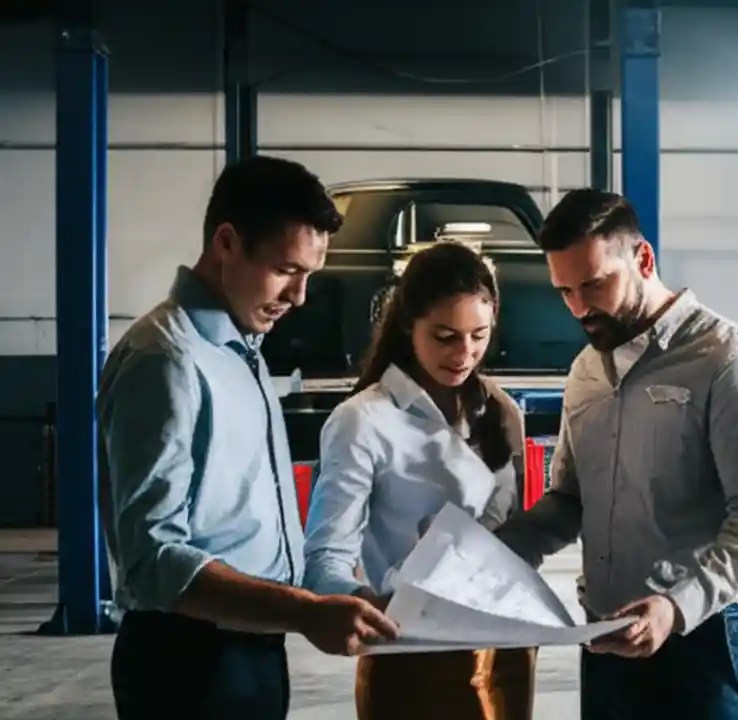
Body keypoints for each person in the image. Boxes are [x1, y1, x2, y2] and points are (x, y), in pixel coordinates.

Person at [98, 155, 399, 720]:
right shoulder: (165, 360)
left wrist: (333, 599)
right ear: (227, 242)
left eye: (310, 274)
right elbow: (154, 558)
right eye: (287, 270)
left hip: (253, 649)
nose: (300, 295)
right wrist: (305, 612)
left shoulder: (243, 352)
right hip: (185, 665)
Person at [495, 189, 738, 719]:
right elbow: (569, 499)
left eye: (594, 284)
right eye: (564, 291)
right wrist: (494, 550)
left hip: (707, 641)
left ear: (644, 259)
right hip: (609, 644)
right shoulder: (585, 371)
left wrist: (676, 609)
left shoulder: (727, 361)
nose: (580, 308)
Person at [302, 241, 537, 720]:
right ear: (408, 324)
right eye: (445, 336)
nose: (464, 353)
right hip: (407, 648)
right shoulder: (363, 420)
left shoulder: (500, 411)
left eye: (479, 335)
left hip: (502, 646)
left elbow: (513, 536)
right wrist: (376, 603)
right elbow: (326, 558)